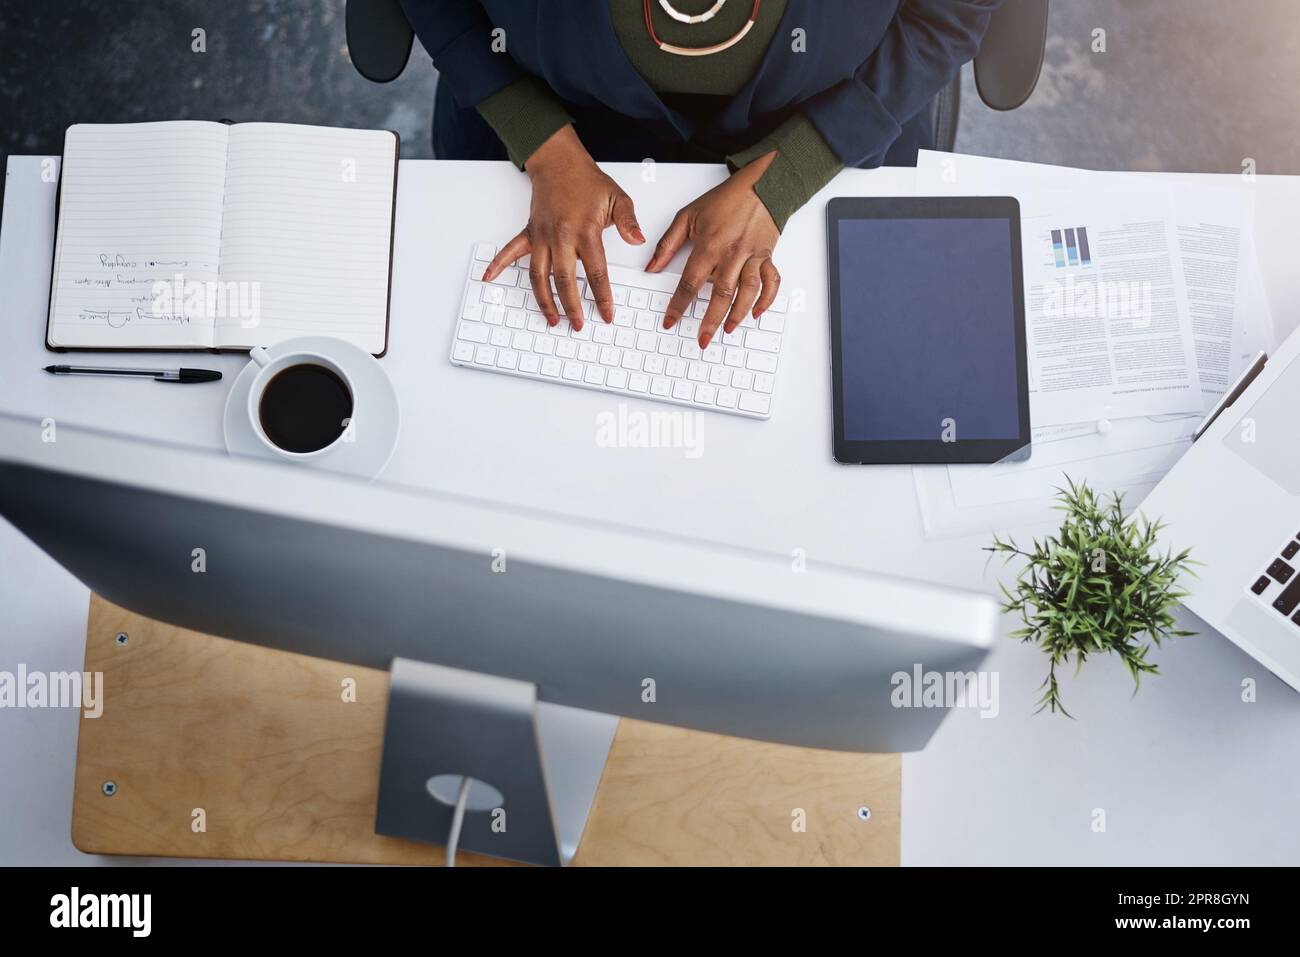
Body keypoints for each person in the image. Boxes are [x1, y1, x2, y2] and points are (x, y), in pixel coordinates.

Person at [400, 0, 1001, 348]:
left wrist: (792, 171)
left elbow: (947, 17)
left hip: (825, 125)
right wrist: (540, 141)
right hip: (553, 129)